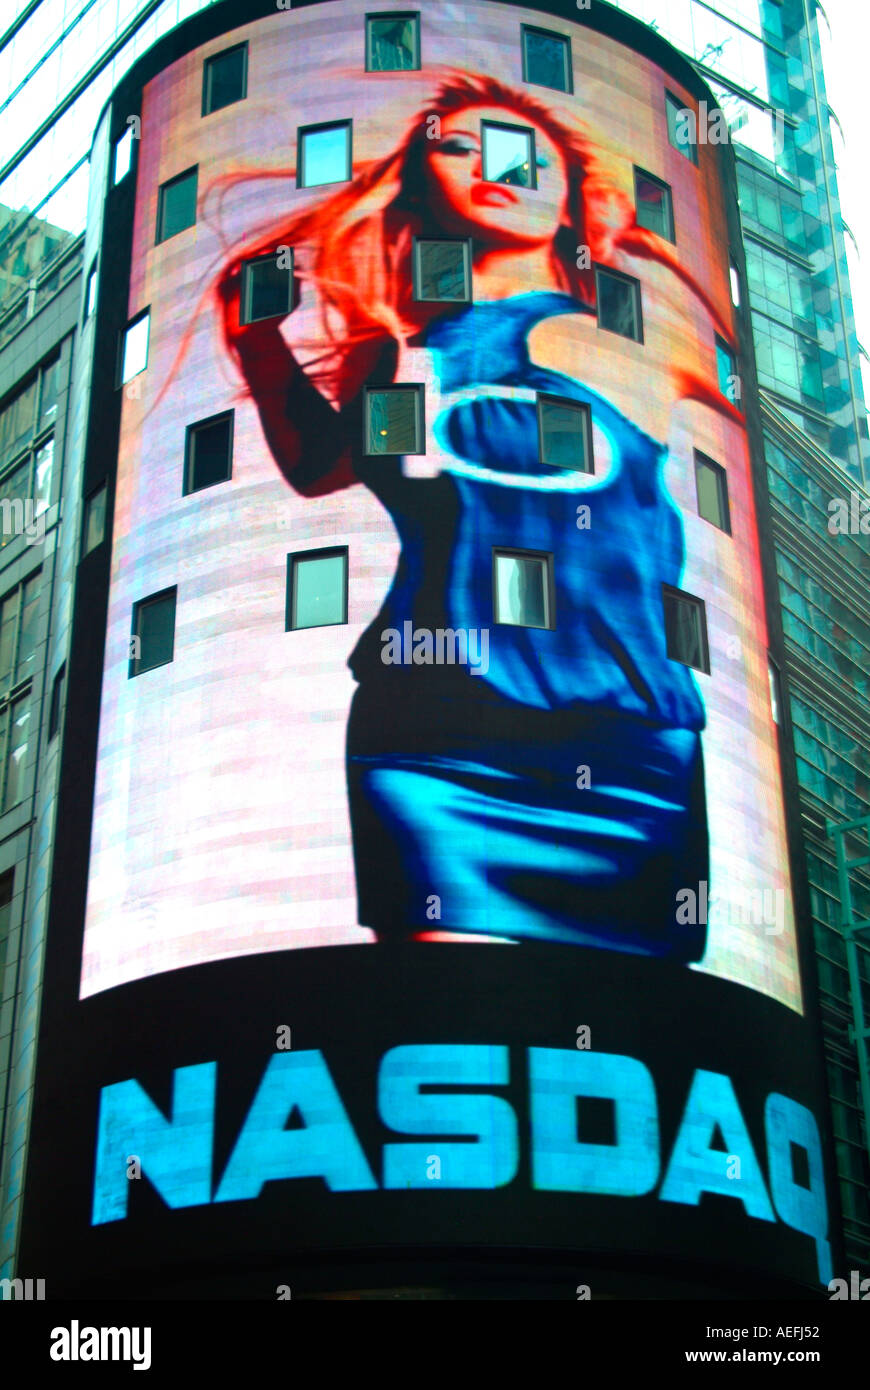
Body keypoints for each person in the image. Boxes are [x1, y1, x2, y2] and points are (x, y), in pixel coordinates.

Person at [210, 71, 743, 956]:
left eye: (521, 153)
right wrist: (254, 337)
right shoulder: (398, 354)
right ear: (425, 181)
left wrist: (639, 244)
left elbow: (746, 391)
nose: (489, 164)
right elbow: (317, 468)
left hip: (636, 752)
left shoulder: (640, 333)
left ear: (573, 193)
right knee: (450, 1006)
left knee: (632, 1031)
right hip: (437, 737)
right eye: (454, 145)